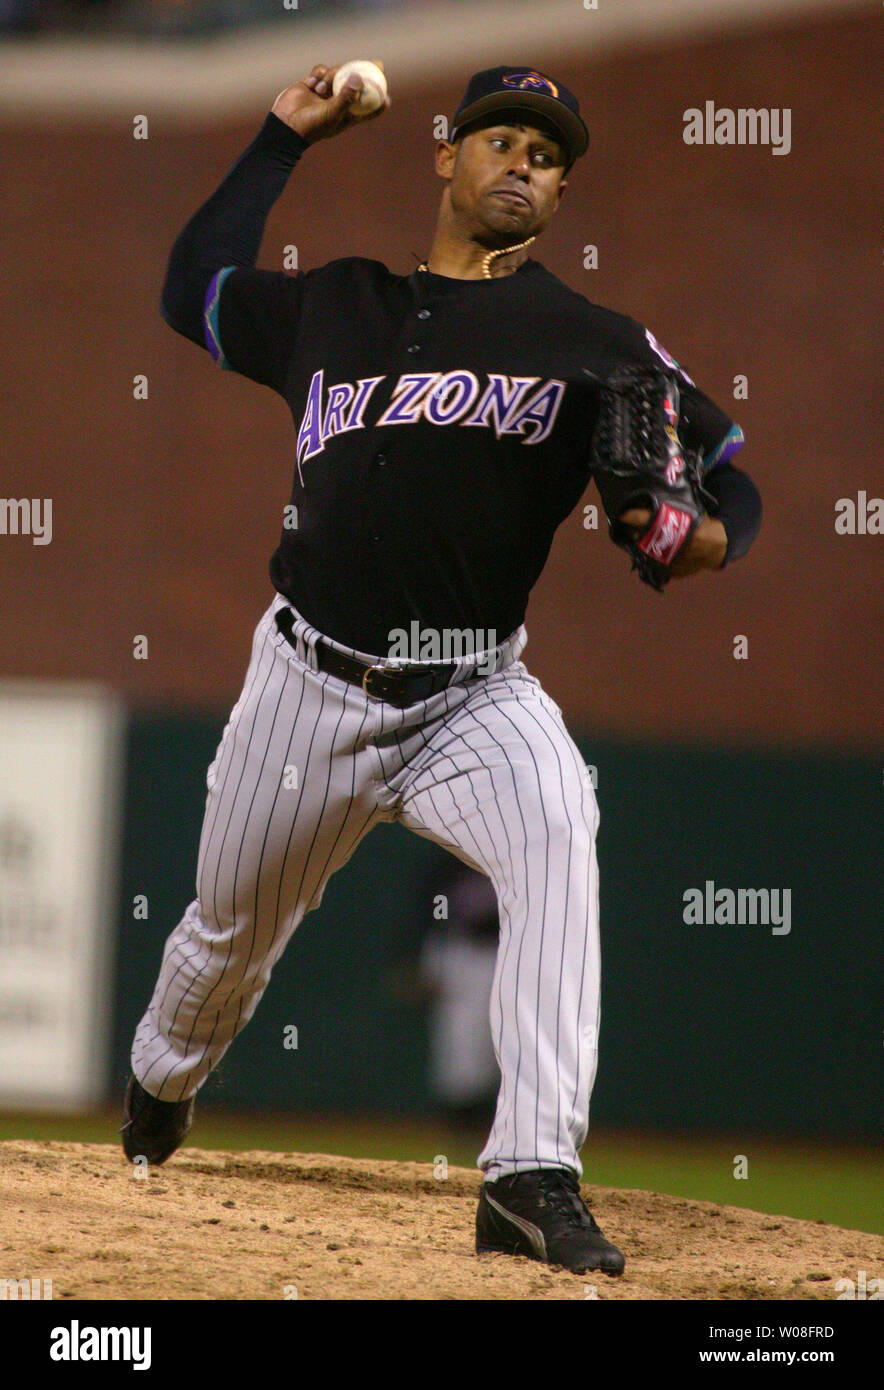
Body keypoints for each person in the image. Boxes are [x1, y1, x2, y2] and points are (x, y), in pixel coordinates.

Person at [121, 62, 762, 1277]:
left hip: (471, 694)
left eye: (548, 154)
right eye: (502, 138)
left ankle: (527, 1173)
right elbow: (187, 289)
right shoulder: (336, 305)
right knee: (223, 937)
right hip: (303, 690)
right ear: (444, 155)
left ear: (558, 193)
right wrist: (278, 137)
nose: (524, 161)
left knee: (559, 824)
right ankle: (162, 1081)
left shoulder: (591, 341)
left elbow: (725, 462)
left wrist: (709, 535)